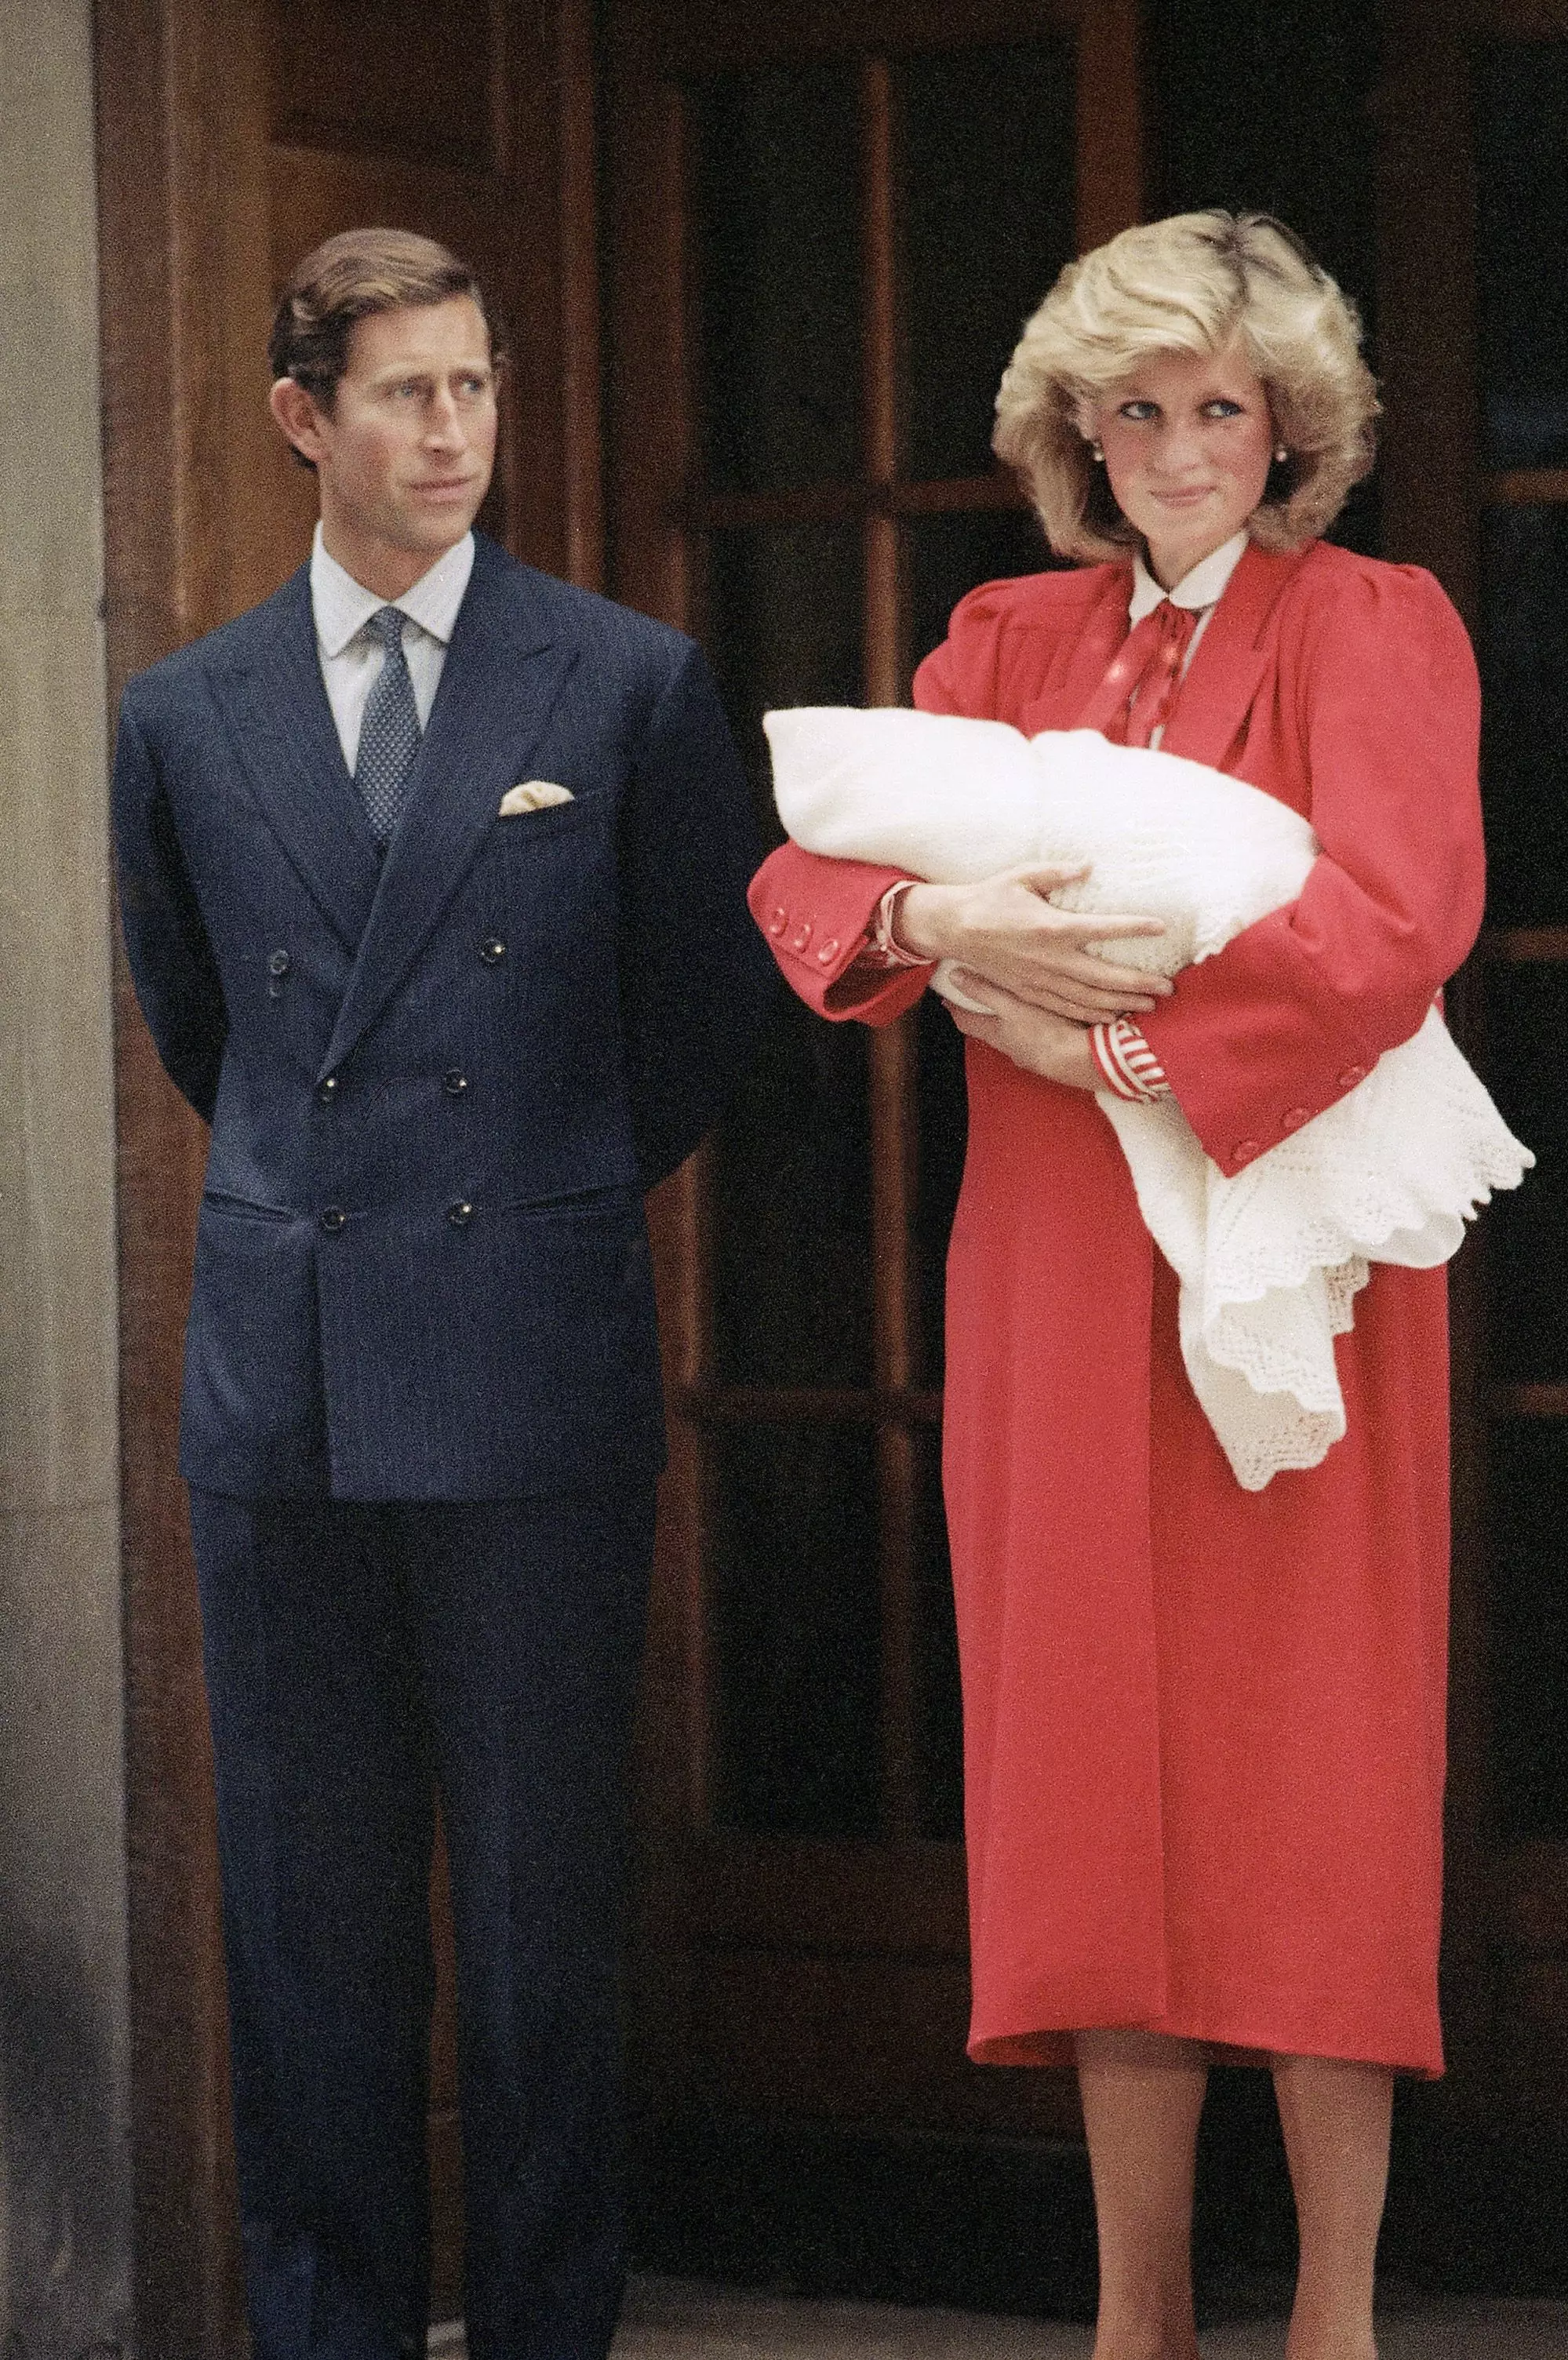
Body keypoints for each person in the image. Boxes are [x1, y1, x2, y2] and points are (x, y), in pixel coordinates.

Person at [750, 210, 1483, 2360]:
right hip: (1059, 1263)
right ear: (1078, 426)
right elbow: (809, 873)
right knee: (1093, 1776)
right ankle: (1128, 2313)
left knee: (1308, 1774)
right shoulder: (1004, 637)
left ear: (1290, 431)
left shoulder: (1371, 619)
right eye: (1139, 410)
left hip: (1295, 1251)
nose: (1178, 453)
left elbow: (1398, 916)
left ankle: (1334, 2313)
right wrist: (938, 913)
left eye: (1221, 412)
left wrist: (1121, 1045)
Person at [113, 226, 774, 2360]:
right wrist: (351, 1202)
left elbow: (693, 1022)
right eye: (403, 393)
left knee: (537, 1919)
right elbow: (200, 1019)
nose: (450, 433)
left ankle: (548, 2328)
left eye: (474, 386)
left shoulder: (623, 683)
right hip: (285, 1385)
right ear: (301, 418)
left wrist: (532, 1186)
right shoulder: (186, 714)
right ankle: (325, 2328)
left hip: (531, 1360)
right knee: (306, 1923)